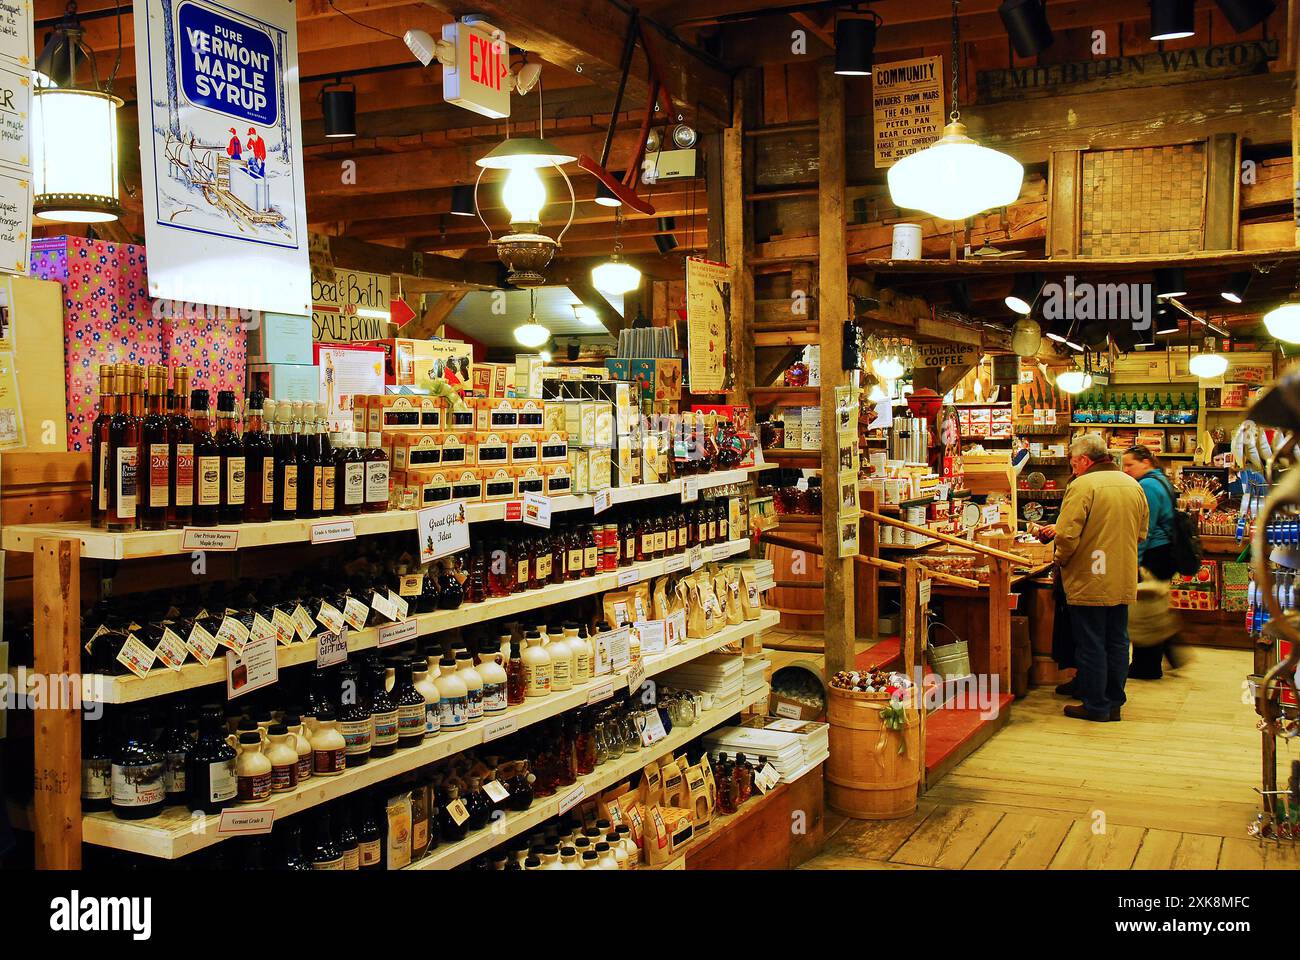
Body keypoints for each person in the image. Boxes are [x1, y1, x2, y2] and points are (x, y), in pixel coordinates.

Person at [1045, 433, 1148, 722]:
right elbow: (1141, 532)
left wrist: (1059, 560)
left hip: (1090, 574)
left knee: (1090, 641)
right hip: (1123, 573)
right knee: (1116, 640)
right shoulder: (1133, 485)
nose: (1072, 468)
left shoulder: (1083, 486)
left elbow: (1066, 536)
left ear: (1085, 460)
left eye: (1073, 462)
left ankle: (1096, 704)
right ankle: (1114, 702)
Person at [1121, 444, 1182, 678]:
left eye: (1130, 464)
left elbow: (1144, 528)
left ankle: (1146, 666)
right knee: (1154, 606)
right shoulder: (1162, 481)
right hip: (1165, 551)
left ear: (1145, 463)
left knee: (1144, 610)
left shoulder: (1146, 486)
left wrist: (1134, 559)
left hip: (1153, 553)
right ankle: (1165, 655)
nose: (1126, 470)